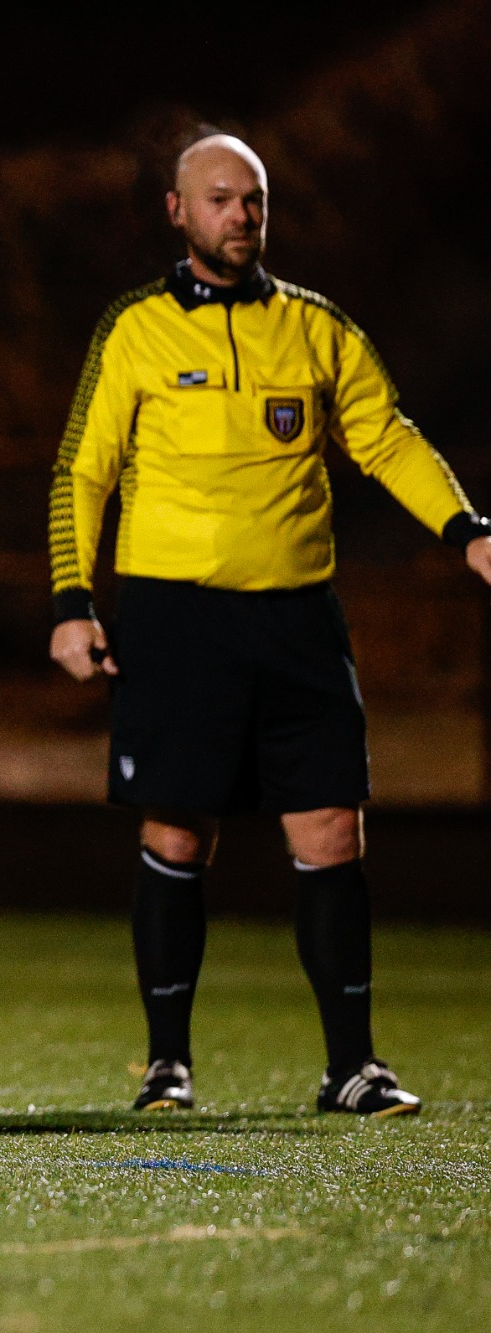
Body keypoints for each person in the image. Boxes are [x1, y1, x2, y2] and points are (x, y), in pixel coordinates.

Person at [47, 133, 491, 1117]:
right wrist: (71, 600)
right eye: (217, 200)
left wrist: (465, 529)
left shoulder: (316, 326)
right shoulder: (134, 329)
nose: (238, 216)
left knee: (333, 826)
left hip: (295, 618)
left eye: (250, 200)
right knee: (175, 828)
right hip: (173, 614)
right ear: (176, 211)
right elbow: (84, 467)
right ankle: (166, 1064)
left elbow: (386, 435)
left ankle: (351, 1067)